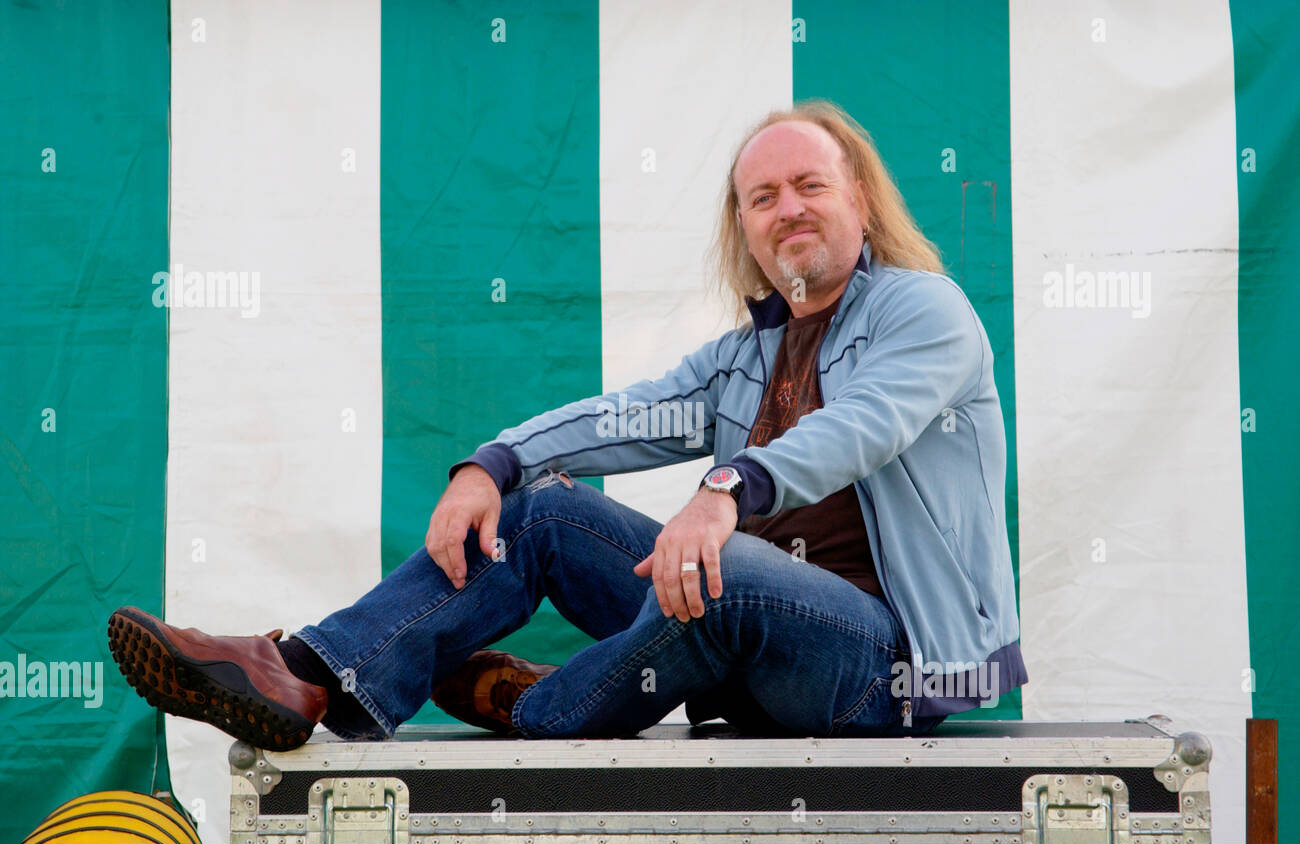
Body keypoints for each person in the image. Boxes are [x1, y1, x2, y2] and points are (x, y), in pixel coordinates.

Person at [107, 100, 1026, 752]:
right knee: (541, 510)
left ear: (859, 198)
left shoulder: (924, 312)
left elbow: (861, 427)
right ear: (744, 228)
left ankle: (547, 709)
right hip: (737, 657)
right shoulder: (746, 355)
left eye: (808, 185)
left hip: (883, 671)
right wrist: (494, 464)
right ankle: (309, 672)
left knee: (733, 564)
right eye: (762, 197)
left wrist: (724, 490)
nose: (788, 208)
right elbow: (624, 416)